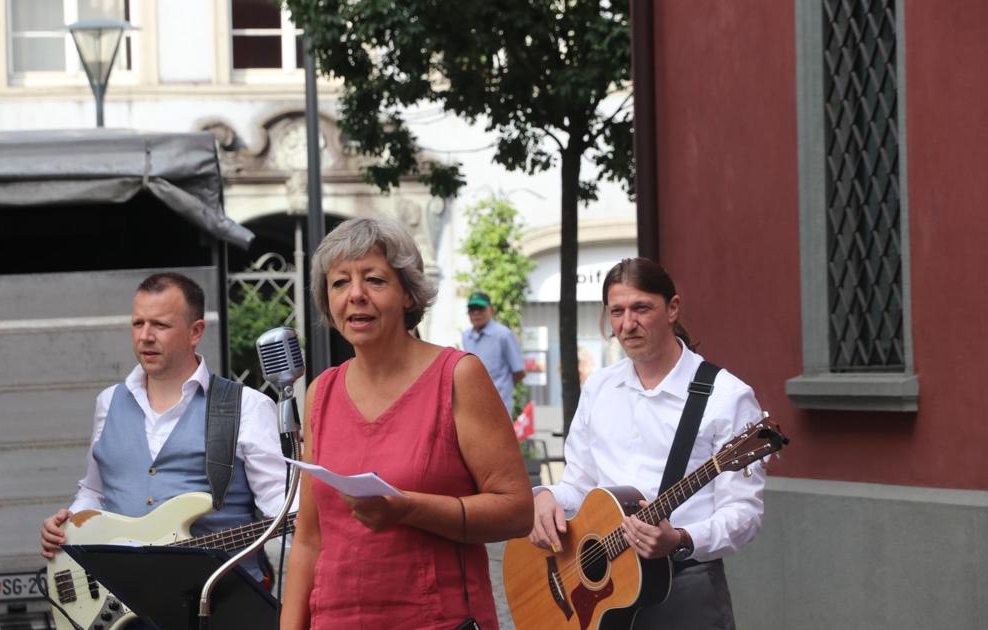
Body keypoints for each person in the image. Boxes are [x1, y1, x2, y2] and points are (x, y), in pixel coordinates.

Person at [280, 217, 533, 630]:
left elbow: (517, 512)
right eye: (340, 283)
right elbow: (309, 539)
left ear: (408, 295)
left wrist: (410, 509)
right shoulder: (320, 393)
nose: (356, 295)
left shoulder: (457, 376)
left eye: (375, 280)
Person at [528, 257, 765, 630]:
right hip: (602, 590)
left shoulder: (726, 397)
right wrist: (545, 497)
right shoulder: (599, 389)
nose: (628, 324)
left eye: (641, 308)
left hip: (684, 586)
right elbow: (579, 485)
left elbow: (744, 515)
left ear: (672, 309)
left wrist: (682, 538)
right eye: (617, 311)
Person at [39, 273, 289, 581]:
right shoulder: (108, 402)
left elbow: (280, 503)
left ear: (195, 332)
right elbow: (95, 489)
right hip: (125, 596)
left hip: (219, 598)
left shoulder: (248, 406)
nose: (145, 336)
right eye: (138, 323)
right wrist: (67, 525)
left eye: (160, 325)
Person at [462, 291, 525, 410]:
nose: (476, 313)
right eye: (472, 309)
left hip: (500, 405)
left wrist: (502, 389)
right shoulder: (466, 336)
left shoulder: (503, 335)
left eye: (480, 308)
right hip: (474, 404)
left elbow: (519, 372)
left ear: (491, 310)